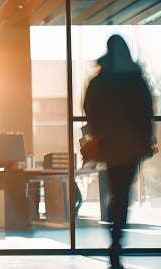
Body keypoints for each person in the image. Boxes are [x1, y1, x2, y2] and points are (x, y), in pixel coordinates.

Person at [83, 34, 155, 269]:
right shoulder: (135, 78)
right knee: (123, 193)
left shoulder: (100, 79)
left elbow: (89, 108)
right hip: (132, 146)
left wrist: (99, 130)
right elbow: (146, 111)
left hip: (111, 146)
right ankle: (117, 238)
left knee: (116, 192)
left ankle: (113, 236)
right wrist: (147, 140)